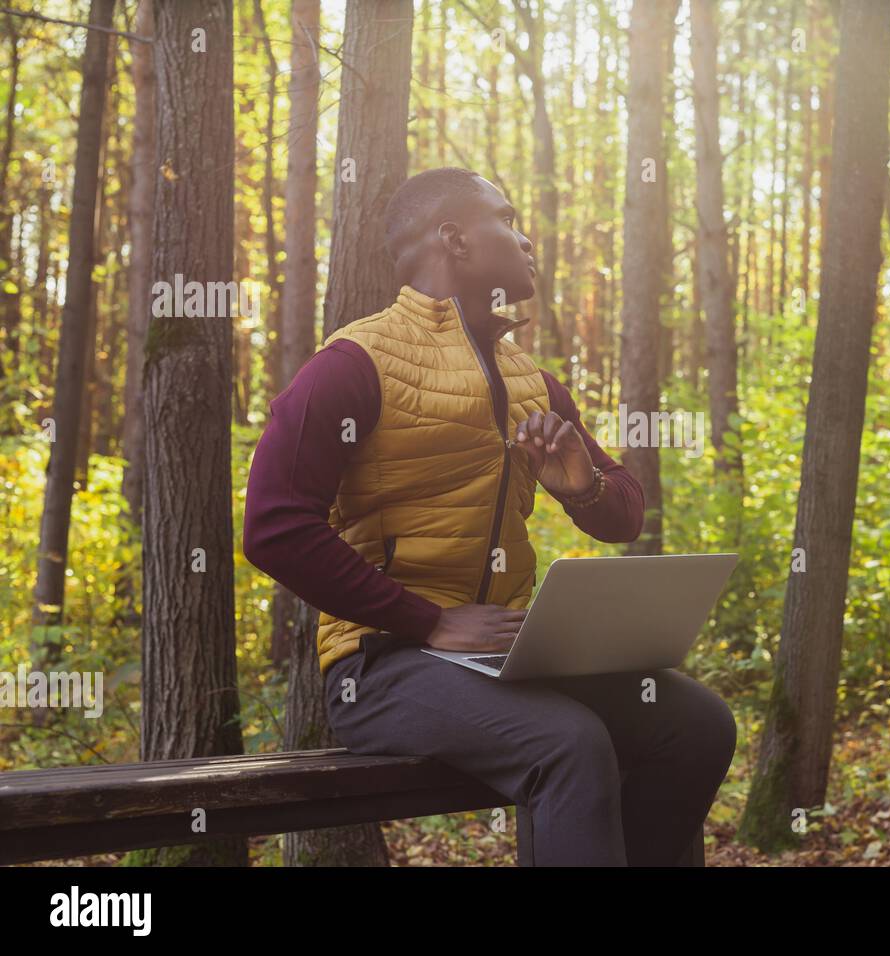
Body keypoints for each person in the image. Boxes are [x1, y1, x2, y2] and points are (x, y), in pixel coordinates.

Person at [243, 167, 736, 866]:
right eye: (508, 219)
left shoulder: (530, 381)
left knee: (695, 724)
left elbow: (624, 515)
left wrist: (580, 486)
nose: (529, 238)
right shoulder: (355, 363)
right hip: (380, 670)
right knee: (568, 742)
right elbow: (273, 528)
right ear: (456, 239)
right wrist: (430, 621)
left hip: (505, 659)